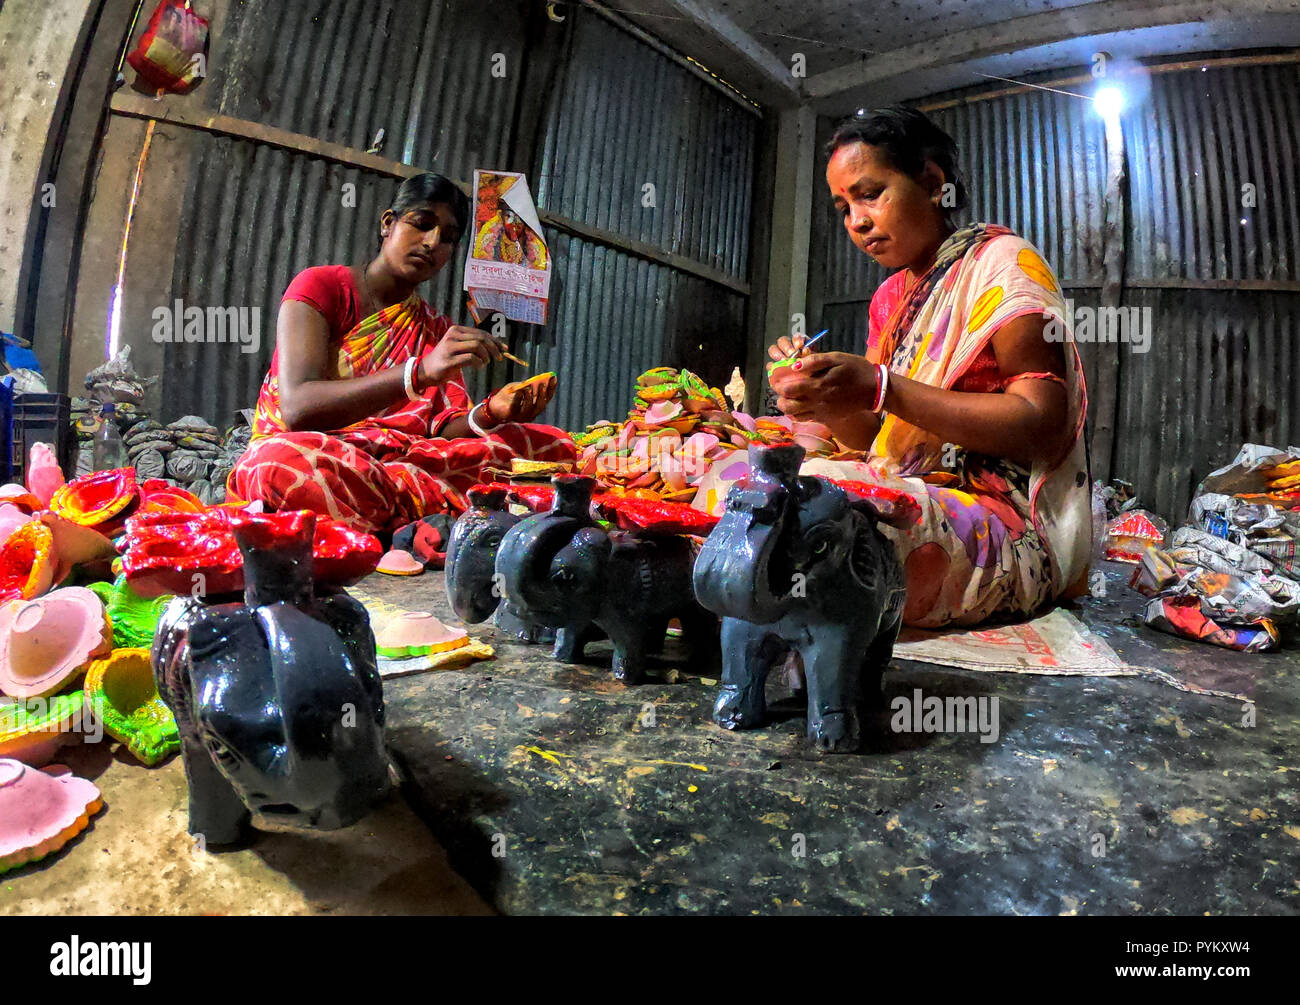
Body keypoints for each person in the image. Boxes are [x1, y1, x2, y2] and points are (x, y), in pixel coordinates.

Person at [761, 106, 1091, 628]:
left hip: (994, 518)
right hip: (903, 483)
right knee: (751, 489)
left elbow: (1042, 427)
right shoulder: (889, 298)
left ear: (934, 183)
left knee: (821, 524)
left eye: (870, 193)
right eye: (843, 207)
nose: (857, 222)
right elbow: (871, 437)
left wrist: (885, 387)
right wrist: (827, 398)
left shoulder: (1003, 264)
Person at [229, 173, 574, 535]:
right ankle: (435, 508)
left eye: (448, 238)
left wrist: (490, 413)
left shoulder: (434, 327)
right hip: (319, 451)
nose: (432, 243)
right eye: (422, 224)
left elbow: (439, 430)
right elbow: (299, 408)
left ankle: (393, 509)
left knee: (549, 444)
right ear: (388, 224)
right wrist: (418, 373)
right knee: (276, 465)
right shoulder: (322, 286)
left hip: (399, 462)